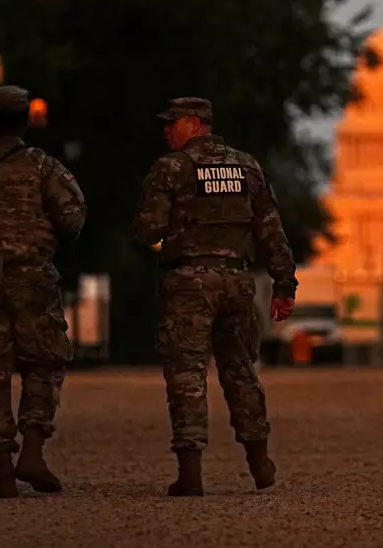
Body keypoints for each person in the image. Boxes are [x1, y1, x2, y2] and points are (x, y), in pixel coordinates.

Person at [133, 97, 298, 497]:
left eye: (172, 123)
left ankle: (190, 472)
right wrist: (284, 285)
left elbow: (147, 230)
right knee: (240, 369)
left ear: (194, 123)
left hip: (188, 283)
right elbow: (271, 231)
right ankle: (260, 462)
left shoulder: (172, 168)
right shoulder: (247, 167)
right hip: (237, 281)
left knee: (187, 373)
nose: (166, 131)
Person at [0, 85, 87, 498]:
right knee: (45, 362)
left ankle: (1, 466)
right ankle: (32, 451)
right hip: (32, 279)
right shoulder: (42, 167)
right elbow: (72, 219)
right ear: (24, 122)